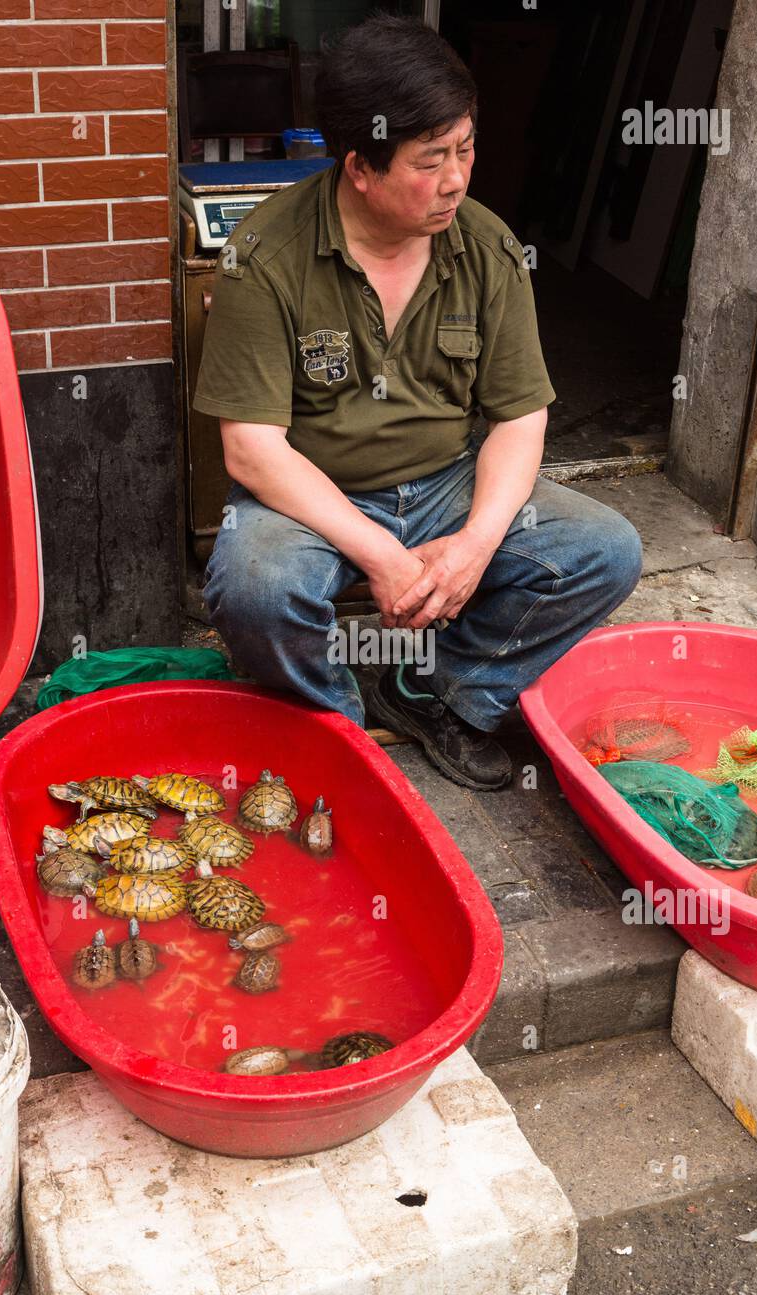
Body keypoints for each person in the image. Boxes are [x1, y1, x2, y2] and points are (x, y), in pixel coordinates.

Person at [193, 14, 642, 791]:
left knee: (605, 551)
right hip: (313, 497)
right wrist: (384, 557)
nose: (456, 179)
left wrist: (473, 545)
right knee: (255, 588)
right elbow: (252, 450)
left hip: (445, 482)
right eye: (431, 161)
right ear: (360, 166)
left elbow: (519, 419)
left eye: (464, 149)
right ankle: (338, 732)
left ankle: (435, 690)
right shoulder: (264, 257)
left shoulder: (489, 248)